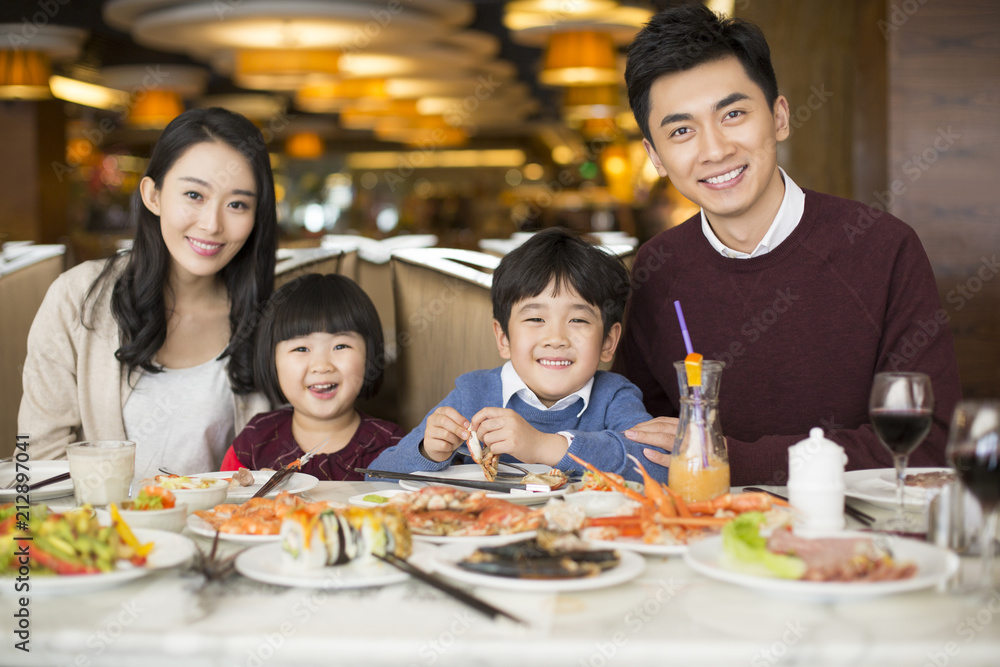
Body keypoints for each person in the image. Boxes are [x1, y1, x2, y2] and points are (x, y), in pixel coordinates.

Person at [614, 3, 962, 486]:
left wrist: (732, 458)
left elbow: (926, 443)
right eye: (682, 131)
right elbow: (639, 434)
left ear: (779, 117)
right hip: (702, 527)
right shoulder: (657, 266)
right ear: (655, 156)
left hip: (855, 528)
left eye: (733, 114)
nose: (714, 149)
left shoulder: (883, 247)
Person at [19, 107, 277, 479]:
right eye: (194, 195)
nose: (212, 224)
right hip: (99, 518)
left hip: (231, 518)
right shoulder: (77, 299)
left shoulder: (269, 315)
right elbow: (35, 458)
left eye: (237, 204)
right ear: (152, 195)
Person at [370, 227, 663, 484]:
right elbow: (374, 477)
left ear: (608, 341)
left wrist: (543, 446)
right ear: (503, 338)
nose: (556, 339)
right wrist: (427, 451)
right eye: (535, 319)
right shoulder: (472, 395)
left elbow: (659, 467)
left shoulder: (614, 397)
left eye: (578, 320)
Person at [219, 273, 404, 481]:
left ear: (370, 355)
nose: (321, 366)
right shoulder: (254, 441)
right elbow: (226, 497)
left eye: (340, 346)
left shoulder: (396, 448)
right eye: (301, 348)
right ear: (271, 360)